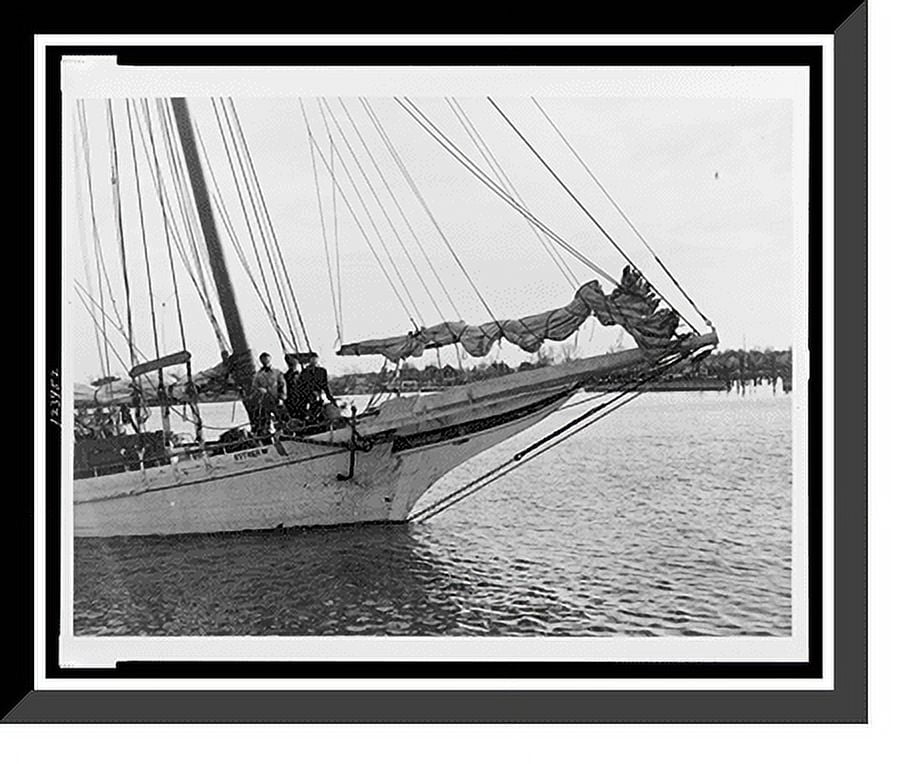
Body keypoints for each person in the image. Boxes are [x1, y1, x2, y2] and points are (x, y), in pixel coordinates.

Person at [251, 352, 286, 436]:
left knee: (282, 418)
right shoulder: (258, 375)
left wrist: (282, 398)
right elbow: (254, 387)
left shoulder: (277, 372)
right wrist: (259, 390)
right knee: (265, 419)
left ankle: (285, 432)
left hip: (276, 399)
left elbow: (282, 385)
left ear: (270, 360)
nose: (265, 362)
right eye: (263, 360)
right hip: (265, 400)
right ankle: (269, 435)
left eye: (266, 360)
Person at [299, 353, 337, 422]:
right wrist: (310, 393)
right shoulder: (304, 372)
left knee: (322, 407)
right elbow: (302, 386)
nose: (314, 361)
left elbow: (325, 385)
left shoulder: (322, 371)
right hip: (309, 396)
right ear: (309, 360)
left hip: (320, 395)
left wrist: (330, 397)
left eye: (315, 359)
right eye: (312, 359)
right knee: (311, 408)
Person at [283, 354, 307, 422]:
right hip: (292, 400)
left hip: (301, 399)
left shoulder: (302, 375)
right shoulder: (285, 376)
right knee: (295, 417)